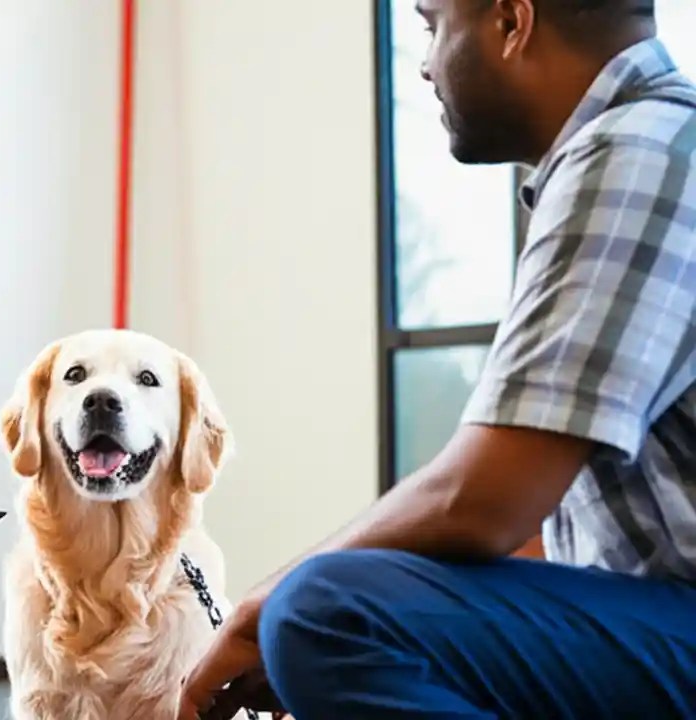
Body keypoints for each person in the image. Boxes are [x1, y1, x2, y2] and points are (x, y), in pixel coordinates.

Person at [180, 1, 696, 718]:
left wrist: (259, 609)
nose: (424, 64)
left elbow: (487, 500)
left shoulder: (639, 151)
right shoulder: (658, 145)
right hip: (668, 619)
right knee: (369, 600)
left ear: (512, 22)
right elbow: (541, 535)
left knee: (325, 611)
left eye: (430, 26)